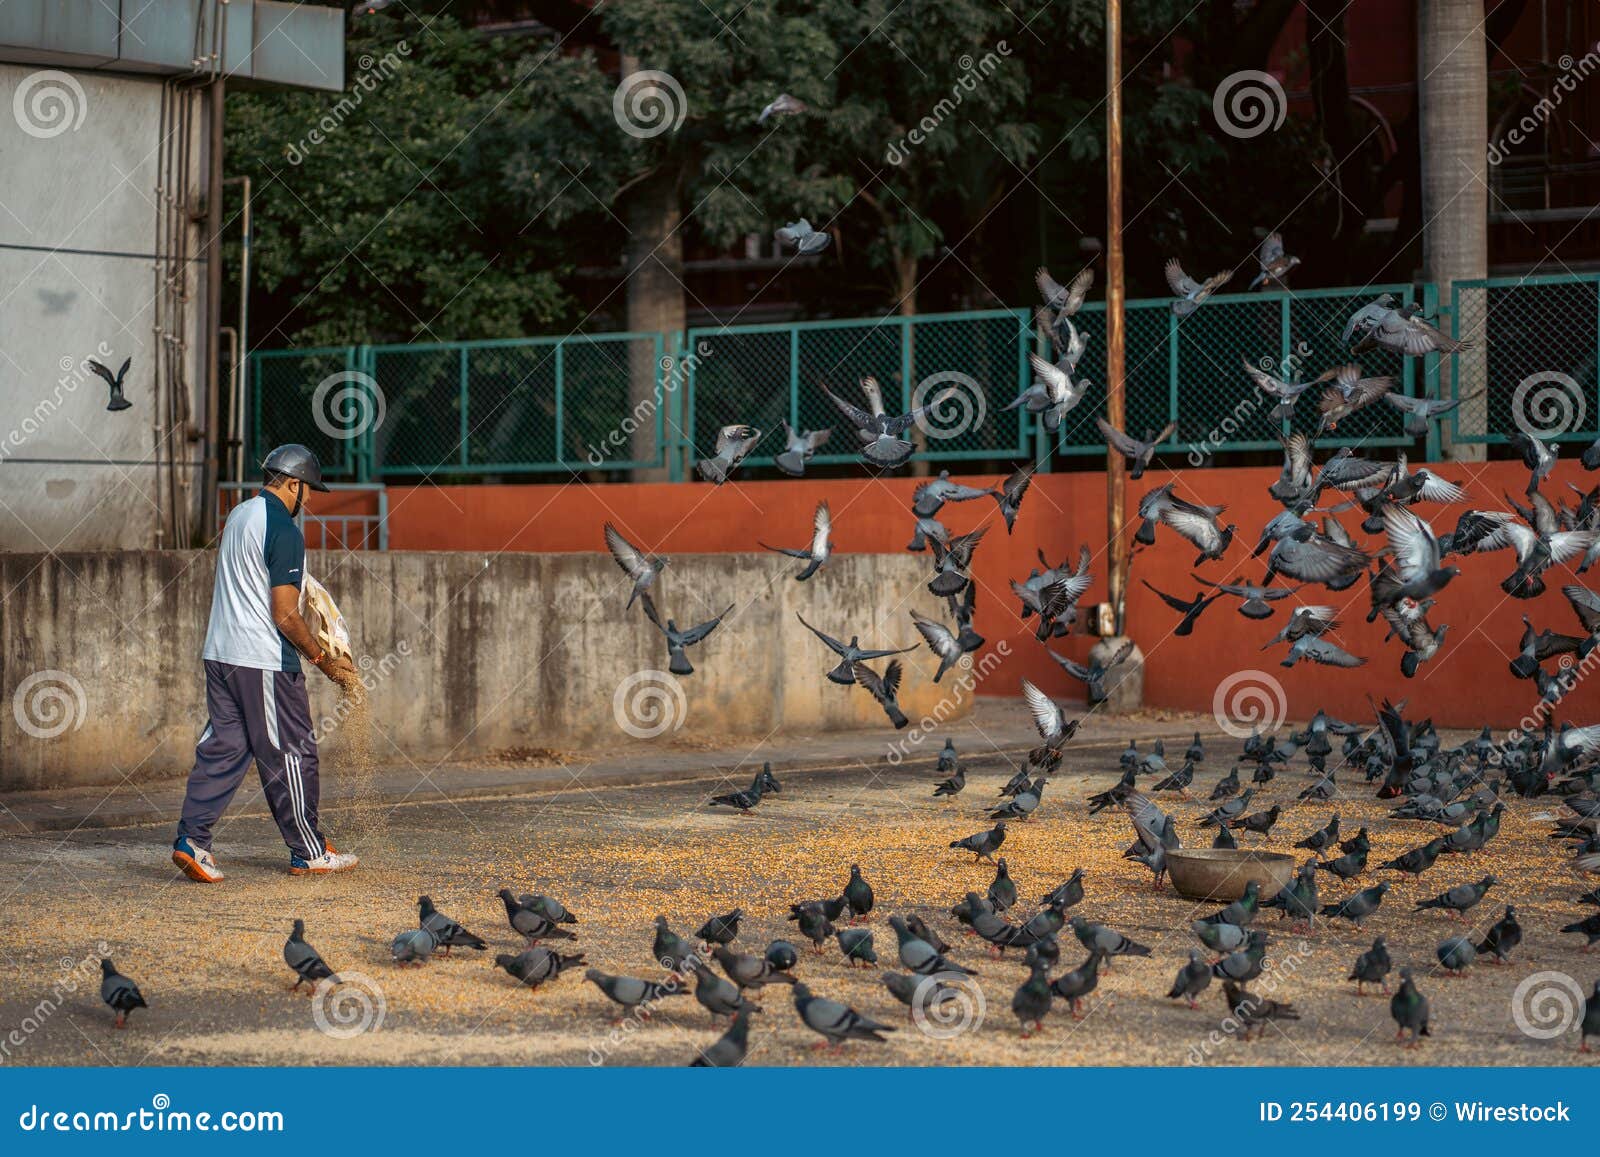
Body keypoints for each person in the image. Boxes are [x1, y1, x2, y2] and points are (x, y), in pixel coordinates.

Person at [172, 444, 362, 882]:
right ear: (293, 484)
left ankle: (192, 841)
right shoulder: (284, 530)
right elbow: (285, 613)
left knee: (224, 748)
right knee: (292, 753)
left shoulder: (239, 516)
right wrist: (322, 660)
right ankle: (309, 851)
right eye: (308, 490)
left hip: (220, 653)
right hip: (263, 661)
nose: (309, 500)